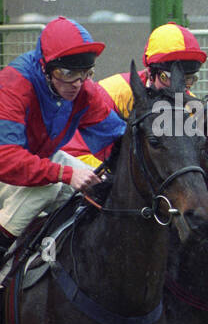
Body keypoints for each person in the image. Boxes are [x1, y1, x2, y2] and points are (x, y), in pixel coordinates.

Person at [0, 16, 125, 251]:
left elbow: (118, 137)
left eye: (86, 72)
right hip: (6, 166)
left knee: (102, 188)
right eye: (67, 73)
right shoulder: (13, 85)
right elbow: (5, 159)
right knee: (49, 186)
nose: (77, 83)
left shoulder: (83, 90)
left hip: (37, 161)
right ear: (45, 67)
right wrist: (64, 174)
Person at [63, 22, 208, 166]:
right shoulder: (109, 93)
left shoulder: (192, 110)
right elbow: (74, 152)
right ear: (150, 72)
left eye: (189, 79)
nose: (178, 89)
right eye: (167, 77)